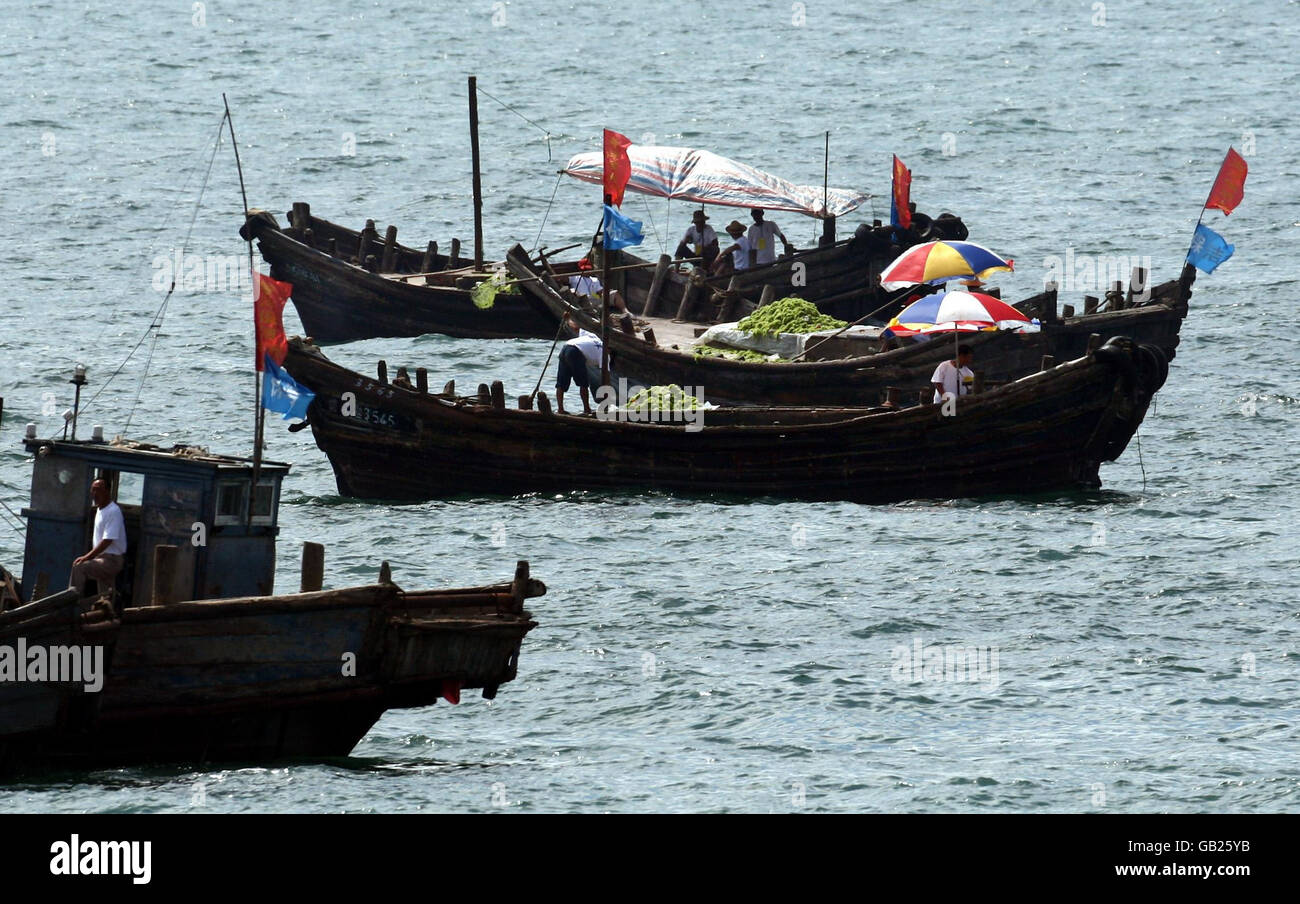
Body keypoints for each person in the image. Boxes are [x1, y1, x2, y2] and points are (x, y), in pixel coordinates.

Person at [69, 478, 127, 601]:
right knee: (106, 595)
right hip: (103, 558)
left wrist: (87, 557)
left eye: (98, 490)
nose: (94, 493)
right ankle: (108, 613)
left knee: (79, 567)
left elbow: (107, 540)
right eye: (93, 490)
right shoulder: (100, 510)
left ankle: (71, 603)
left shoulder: (113, 511)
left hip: (112, 560)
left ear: (107, 491)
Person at [556, 313, 604, 415]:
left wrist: (568, 319)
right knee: (583, 383)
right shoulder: (605, 356)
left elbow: (576, 328)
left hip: (566, 347)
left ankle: (560, 409)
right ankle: (587, 409)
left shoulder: (593, 337)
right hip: (576, 352)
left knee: (561, 383)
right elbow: (605, 376)